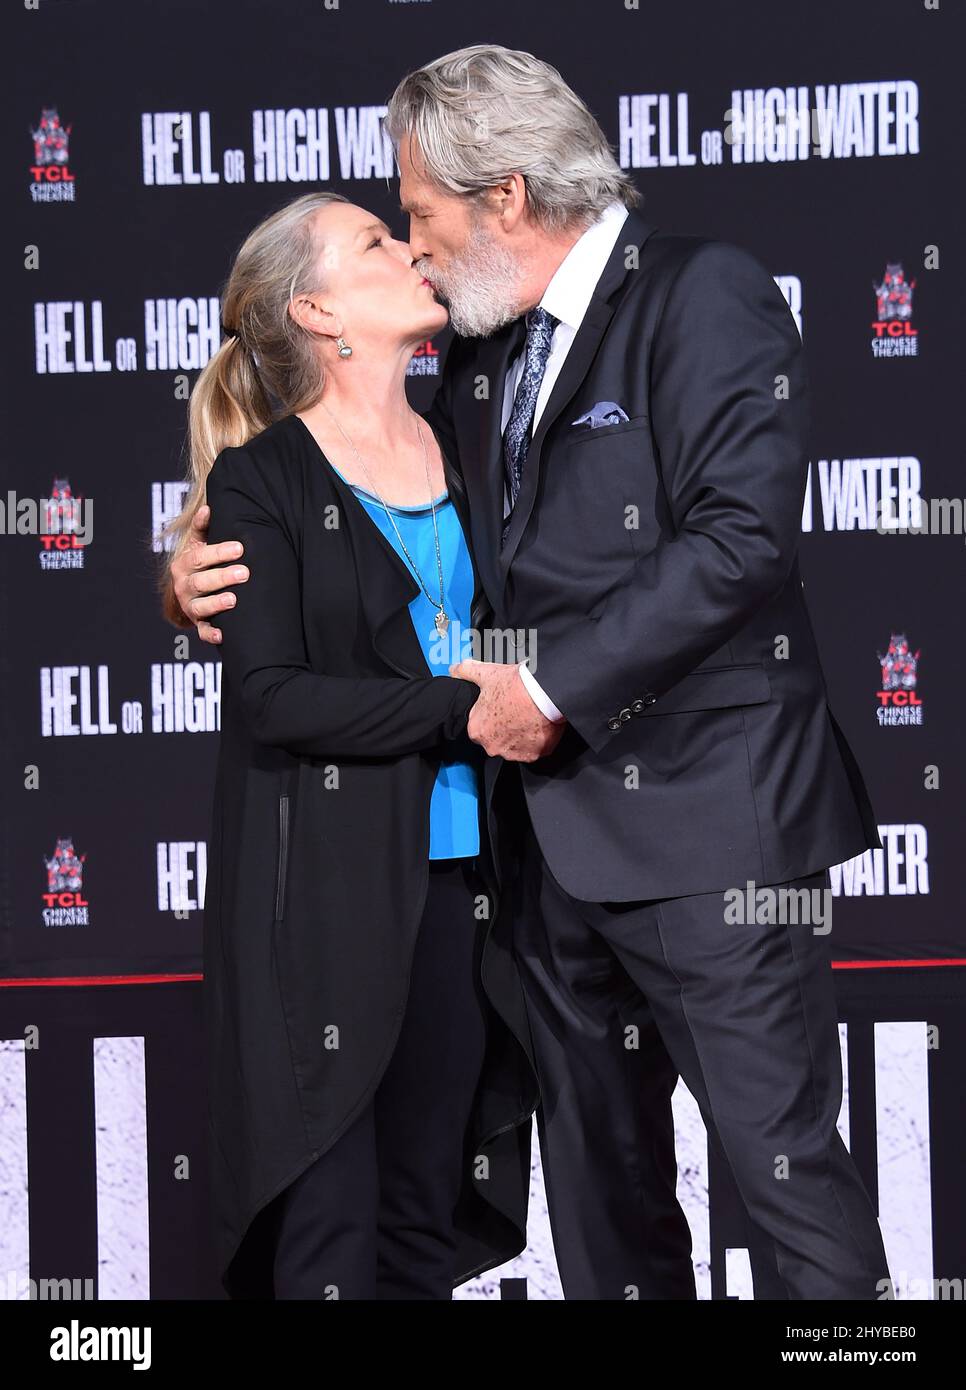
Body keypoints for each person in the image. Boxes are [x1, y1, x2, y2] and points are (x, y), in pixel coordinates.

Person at [168, 45, 892, 1301]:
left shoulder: (702, 296)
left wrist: (546, 690)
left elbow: (742, 540)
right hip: (545, 870)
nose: (416, 241)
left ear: (503, 196)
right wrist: (190, 568)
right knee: (609, 1223)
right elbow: (342, 476)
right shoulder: (487, 356)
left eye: (421, 213)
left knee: (791, 1196)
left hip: (714, 841)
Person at [159, 188, 539, 1300]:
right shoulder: (264, 479)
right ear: (319, 309)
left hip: (469, 889)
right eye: (377, 240)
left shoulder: (474, 432)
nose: (410, 247)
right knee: (327, 1230)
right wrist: (458, 705)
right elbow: (271, 695)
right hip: (323, 909)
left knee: (424, 1222)